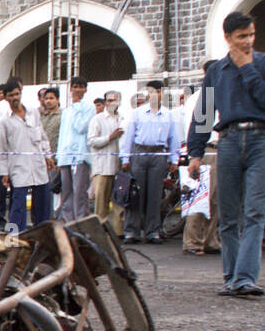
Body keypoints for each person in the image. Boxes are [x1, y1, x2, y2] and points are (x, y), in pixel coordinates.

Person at [189, 11, 265, 296]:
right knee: (228, 214)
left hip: (262, 140)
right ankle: (231, 277)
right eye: (242, 36)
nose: (248, 41)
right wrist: (195, 153)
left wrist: (247, 68)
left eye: (252, 35)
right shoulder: (217, 71)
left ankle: (245, 278)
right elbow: (203, 115)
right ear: (228, 38)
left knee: (255, 212)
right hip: (228, 141)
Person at [121, 79, 180, 243]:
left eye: (160, 92)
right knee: (135, 193)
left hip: (159, 154)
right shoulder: (138, 113)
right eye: (153, 92)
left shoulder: (169, 115)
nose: (156, 95)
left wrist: (173, 158)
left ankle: (152, 231)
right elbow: (129, 137)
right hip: (140, 152)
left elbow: (174, 139)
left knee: (155, 194)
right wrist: (125, 158)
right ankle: (131, 231)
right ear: (148, 93)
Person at [0, 78, 54, 231]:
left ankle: (43, 236)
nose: (14, 98)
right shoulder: (3, 121)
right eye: (10, 95)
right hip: (18, 167)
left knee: (43, 205)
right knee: (18, 206)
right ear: (6, 97)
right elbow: (1, 149)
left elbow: (42, 135)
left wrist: (48, 156)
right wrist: (4, 173)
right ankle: (13, 239)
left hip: (38, 165)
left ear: (21, 94)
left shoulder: (33, 112)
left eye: (16, 94)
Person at [182, 60, 221, 255]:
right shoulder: (200, 97)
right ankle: (193, 241)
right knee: (200, 196)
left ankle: (210, 239)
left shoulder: (221, 94)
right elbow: (195, 125)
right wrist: (194, 153)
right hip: (207, 149)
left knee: (216, 199)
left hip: (221, 148)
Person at [56, 75, 94, 221]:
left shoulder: (88, 107)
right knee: (66, 192)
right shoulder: (67, 110)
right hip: (65, 156)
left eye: (81, 87)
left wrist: (78, 105)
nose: (78, 90)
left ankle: (81, 222)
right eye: (75, 87)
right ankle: (69, 222)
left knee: (79, 192)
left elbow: (81, 127)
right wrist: (59, 157)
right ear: (70, 89)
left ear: (85, 89)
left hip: (79, 156)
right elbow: (62, 135)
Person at [88, 90, 125, 235]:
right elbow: (91, 141)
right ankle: (99, 232)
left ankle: (118, 233)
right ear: (105, 103)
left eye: (115, 100)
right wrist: (110, 137)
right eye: (109, 101)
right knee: (101, 203)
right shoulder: (97, 119)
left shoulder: (123, 118)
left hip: (119, 167)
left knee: (119, 203)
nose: (112, 104)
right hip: (102, 167)